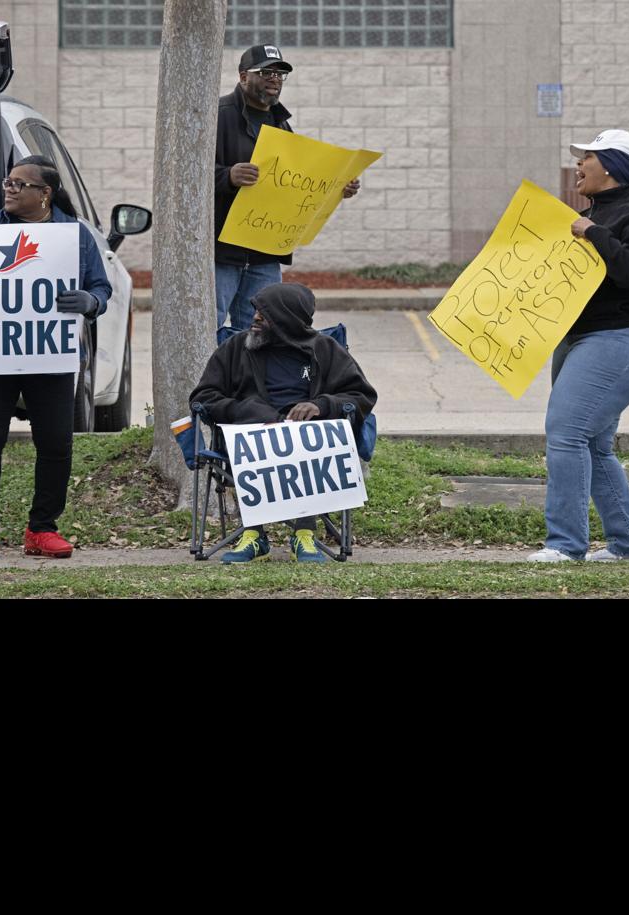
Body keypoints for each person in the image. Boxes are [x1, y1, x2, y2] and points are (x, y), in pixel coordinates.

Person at [0, 157, 111, 564]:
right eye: (8, 181)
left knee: (55, 442)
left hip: (49, 355)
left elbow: (100, 288)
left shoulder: (74, 235)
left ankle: (42, 528)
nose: (9, 188)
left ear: (45, 194)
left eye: (20, 184)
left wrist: (90, 302)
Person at [528, 129, 629, 564]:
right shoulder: (590, 215)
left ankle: (564, 545)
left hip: (628, 334)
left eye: (587, 157)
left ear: (610, 166)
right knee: (591, 442)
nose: (578, 164)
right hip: (583, 336)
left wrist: (594, 234)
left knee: (566, 431)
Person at [191, 282, 376, 564]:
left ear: (286, 319)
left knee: (306, 440)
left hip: (308, 437)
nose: (255, 318)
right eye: (256, 311)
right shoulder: (236, 348)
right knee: (254, 439)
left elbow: (361, 396)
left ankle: (304, 534)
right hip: (249, 435)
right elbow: (203, 397)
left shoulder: (325, 349)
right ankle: (253, 535)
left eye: (264, 314)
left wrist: (321, 405)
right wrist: (249, 412)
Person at [213, 43, 361, 330]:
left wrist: (337, 189)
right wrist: (228, 176)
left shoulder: (281, 124)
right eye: (266, 72)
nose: (274, 79)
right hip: (222, 253)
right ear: (243, 77)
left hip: (264, 254)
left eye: (280, 74)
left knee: (263, 332)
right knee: (210, 326)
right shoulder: (219, 115)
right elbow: (188, 177)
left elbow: (296, 184)